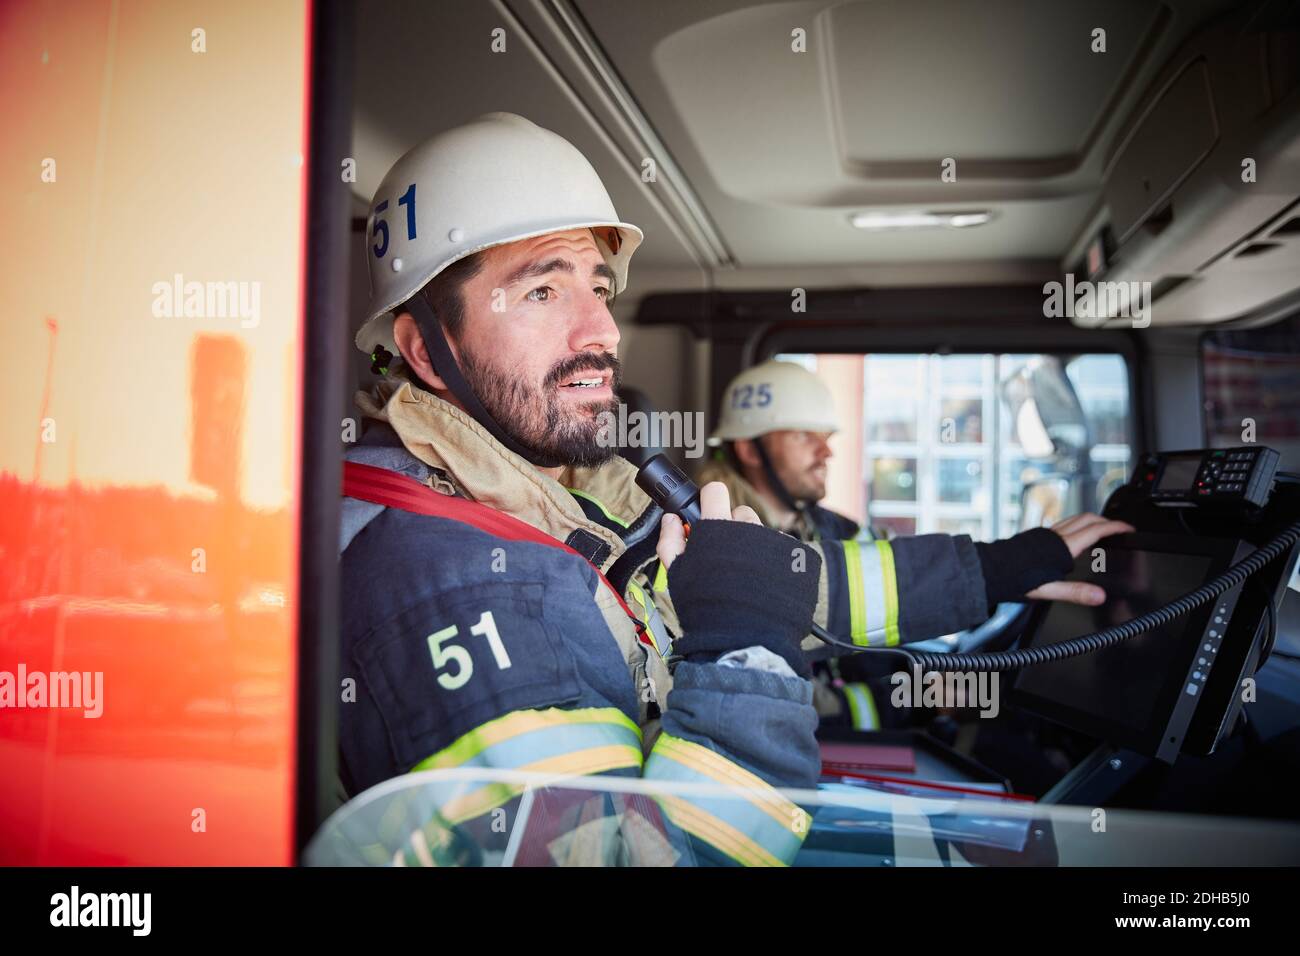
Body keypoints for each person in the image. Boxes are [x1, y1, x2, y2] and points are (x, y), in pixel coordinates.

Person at [337, 112, 1129, 866]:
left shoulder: (575, 495)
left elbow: (798, 584)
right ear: (427, 353)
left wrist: (997, 570)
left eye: (599, 289)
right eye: (543, 292)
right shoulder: (445, 575)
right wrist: (742, 652)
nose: (604, 333)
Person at [698, 359, 1131, 731]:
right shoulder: (708, 539)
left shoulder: (828, 528)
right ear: (749, 449)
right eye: (802, 436)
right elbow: (767, 695)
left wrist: (1004, 569)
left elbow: (895, 572)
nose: (826, 451)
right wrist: (912, 700)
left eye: (826, 436)